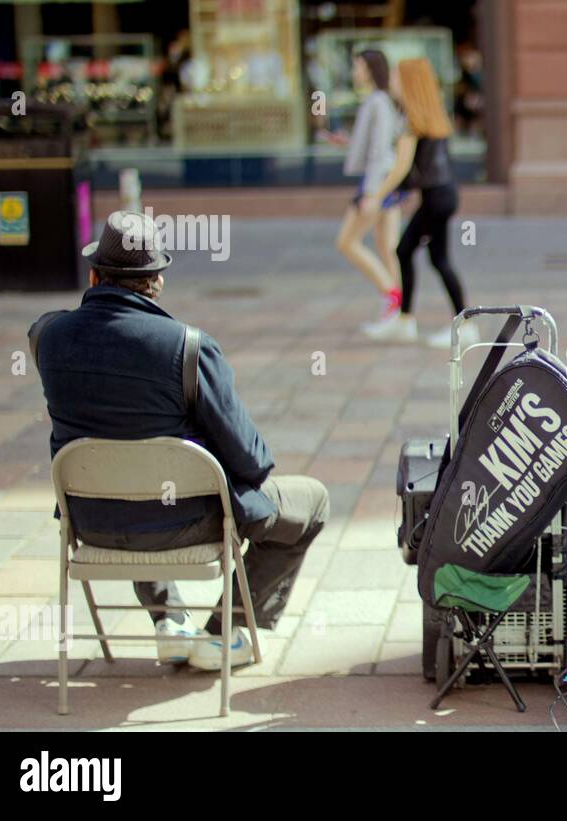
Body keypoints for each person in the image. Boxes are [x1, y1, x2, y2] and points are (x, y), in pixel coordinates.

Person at [29, 211, 330, 670]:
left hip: (89, 521)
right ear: (157, 282)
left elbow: (48, 327)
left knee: (137, 488)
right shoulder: (188, 347)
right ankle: (225, 634)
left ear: (93, 275)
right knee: (312, 502)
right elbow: (251, 461)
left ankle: (170, 620)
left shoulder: (48, 339)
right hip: (185, 521)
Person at [361, 58, 470, 348]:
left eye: (397, 77)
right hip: (443, 195)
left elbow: (401, 167)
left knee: (409, 251)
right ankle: (409, 320)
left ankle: (425, 322)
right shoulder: (433, 117)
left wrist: (376, 195)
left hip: (436, 198)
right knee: (431, 257)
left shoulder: (413, 120)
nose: (393, 82)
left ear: (410, 82)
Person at [334, 49, 406, 335]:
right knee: (388, 247)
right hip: (387, 180)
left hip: (378, 182)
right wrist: (349, 143)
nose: (355, 72)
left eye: (359, 67)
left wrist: (371, 193)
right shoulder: (384, 99)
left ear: (370, 69)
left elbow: (379, 150)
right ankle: (398, 311)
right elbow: (378, 144)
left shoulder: (377, 100)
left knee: (347, 241)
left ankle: (393, 296)